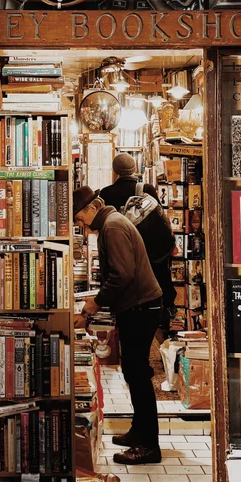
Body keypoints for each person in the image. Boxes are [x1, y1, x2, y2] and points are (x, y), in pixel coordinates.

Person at [73, 185, 162, 464]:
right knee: (132, 371)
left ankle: (149, 445)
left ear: (92, 208)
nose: (80, 224)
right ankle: (139, 431)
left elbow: (122, 275)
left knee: (138, 373)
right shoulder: (111, 224)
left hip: (141, 306)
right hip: (137, 306)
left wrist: (93, 304)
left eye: (79, 217)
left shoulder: (112, 226)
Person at [99, 152, 174, 330]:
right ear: (134, 169)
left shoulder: (106, 193)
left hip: (124, 249)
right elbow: (159, 217)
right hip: (151, 251)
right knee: (154, 286)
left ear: (115, 171)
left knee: (129, 285)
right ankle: (162, 320)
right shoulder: (146, 189)